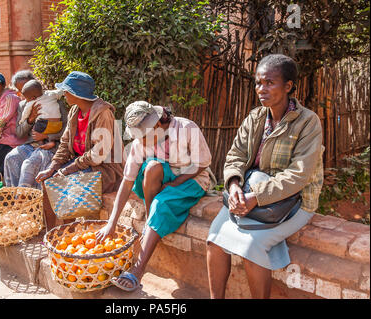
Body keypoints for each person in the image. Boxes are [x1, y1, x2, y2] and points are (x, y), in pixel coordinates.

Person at [206, 54, 324, 299]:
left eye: (269, 82)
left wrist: (256, 197)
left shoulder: (307, 122)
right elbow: (235, 155)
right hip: (248, 194)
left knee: (252, 248)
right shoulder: (256, 117)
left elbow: (298, 176)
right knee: (215, 242)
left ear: (288, 86)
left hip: (295, 202)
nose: (262, 89)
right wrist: (235, 185)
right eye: (259, 83)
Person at [95, 100, 214, 291]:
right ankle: (154, 218)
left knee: (161, 202)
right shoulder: (139, 142)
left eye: (143, 137)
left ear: (157, 125)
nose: (140, 142)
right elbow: (127, 183)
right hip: (161, 179)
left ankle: (138, 270)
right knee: (151, 167)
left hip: (192, 178)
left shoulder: (186, 128)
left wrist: (176, 182)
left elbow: (202, 163)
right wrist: (112, 222)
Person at [35, 71, 124, 229]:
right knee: (47, 182)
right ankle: (53, 233)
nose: (64, 94)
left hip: (105, 169)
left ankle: (69, 232)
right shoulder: (74, 111)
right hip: (83, 164)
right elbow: (64, 143)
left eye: (66, 91)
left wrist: (68, 169)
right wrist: (52, 167)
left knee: (65, 183)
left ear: (76, 94)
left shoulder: (103, 113)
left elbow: (99, 154)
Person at [4, 70, 68, 189]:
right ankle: (13, 195)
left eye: (28, 86)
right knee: (11, 157)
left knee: (30, 164)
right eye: (22, 90)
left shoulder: (53, 101)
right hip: (31, 144)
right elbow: (19, 133)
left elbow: (66, 127)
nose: (26, 91)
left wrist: (48, 137)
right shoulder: (23, 105)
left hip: (52, 144)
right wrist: (30, 119)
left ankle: (30, 198)